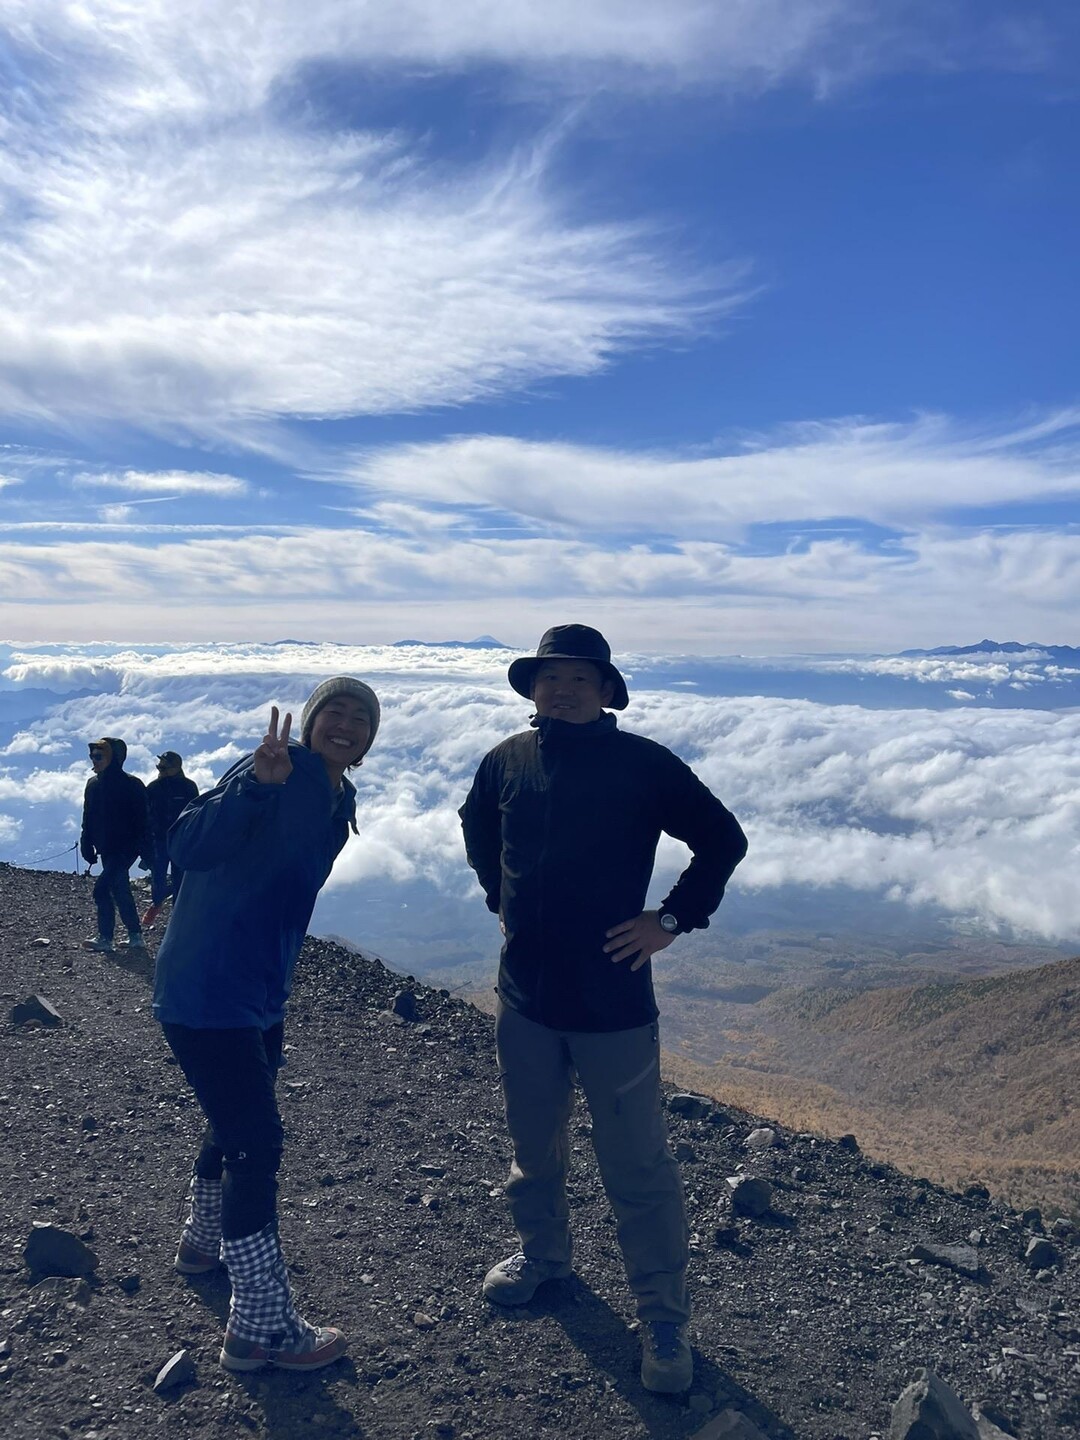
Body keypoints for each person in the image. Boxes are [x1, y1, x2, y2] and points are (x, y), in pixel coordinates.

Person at [459, 624, 747, 1394]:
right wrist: (500, 895)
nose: (560, 689)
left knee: (637, 1166)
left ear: (607, 691)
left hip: (614, 1006)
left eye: (578, 678)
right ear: (532, 688)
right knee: (533, 1146)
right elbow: (475, 823)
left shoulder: (643, 765)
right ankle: (544, 1258)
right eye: (548, 677)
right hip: (525, 999)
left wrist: (673, 919)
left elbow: (723, 839)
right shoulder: (507, 761)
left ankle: (662, 1316)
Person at [152, 677, 380, 1373]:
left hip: (256, 991)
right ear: (309, 724)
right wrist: (255, 784)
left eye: (360, 717)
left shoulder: (338, 797)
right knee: (255, 1142)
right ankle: (260, 1325)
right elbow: (186, 845)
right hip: (208, 988)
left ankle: (203, 1242)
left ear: (369, 741)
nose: (344, 723)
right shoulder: (270, 772)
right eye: (332, 711)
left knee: (235, 1124)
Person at [80, 737, 150, 955]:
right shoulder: (93, 784)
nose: (94, 760)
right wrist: (86, 843)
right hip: (106, 847)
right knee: (119, 890)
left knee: (101, 889)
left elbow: (144, 822)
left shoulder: (132, 785)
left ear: (115, 757)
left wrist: (147, 853)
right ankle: (135, 937)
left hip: (126, 849)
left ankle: (105, 938)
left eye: (99, 756)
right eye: (92, 756)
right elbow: (88, 816)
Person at [142, 751, 199, 927]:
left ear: (176, 767)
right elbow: (144, 813)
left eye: (165, 767)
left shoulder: (188, 787)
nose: (161, 770)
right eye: (159, 766)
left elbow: (196, 812)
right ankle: (157, 902)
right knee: (157, 877)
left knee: (179, 879)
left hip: (181, 839)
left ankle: (177, 919)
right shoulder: (153, 787)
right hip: (158, 839)